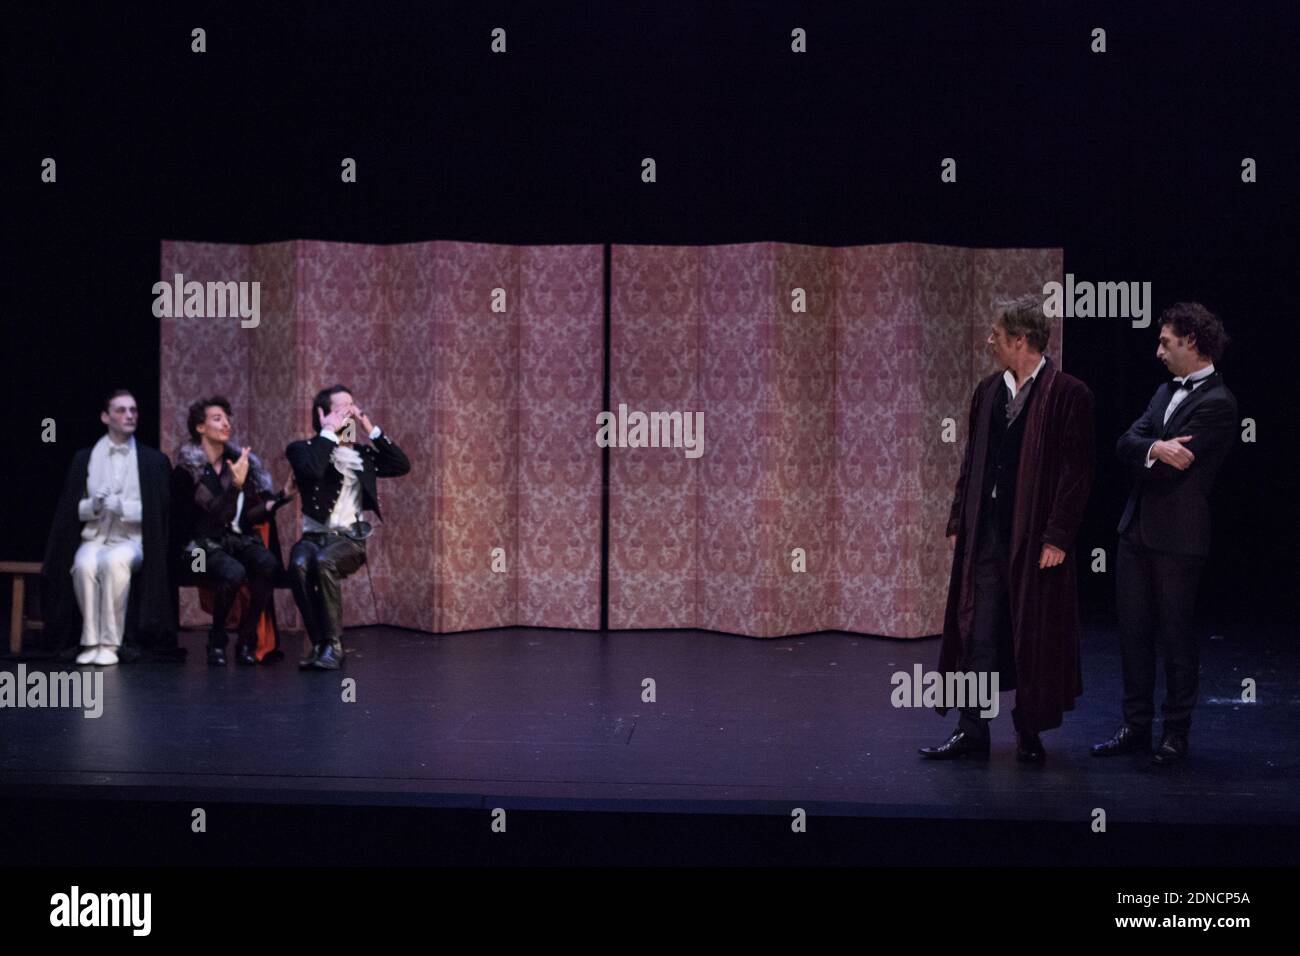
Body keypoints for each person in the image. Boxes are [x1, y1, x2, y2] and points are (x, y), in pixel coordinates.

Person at [921, 293, 1095, 762]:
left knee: (1030, 636)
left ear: (1021, 340)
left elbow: (1076, 474)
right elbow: (971, 462)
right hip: (987, 536)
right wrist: (959, 519)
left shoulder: (1068, 394)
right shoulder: (987, 391)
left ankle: (1029, 734)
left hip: (1035, 539)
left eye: (995, 335)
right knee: (978, 630)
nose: (988, 340)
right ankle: (972, 730)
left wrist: (1058, 535)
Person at [1093, 303, 1237, 765]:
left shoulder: (1218, 403)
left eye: (1166, 342)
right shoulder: (1161, 393)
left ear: (1191, 341)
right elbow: (1123, 443)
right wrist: (1155, 446)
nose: (1158, 351)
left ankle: (1176, 733)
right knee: (1133, 635)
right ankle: (1135, 727)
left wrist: (1146, 451)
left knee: (1175, 637)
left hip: (1178, 538)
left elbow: (1172, 472)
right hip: (1135, 530)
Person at [40, 389, 178, 665]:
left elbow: (159, 513)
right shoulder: (85, 458)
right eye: (121, 410)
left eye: (133, 410)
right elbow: (70, 510)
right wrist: (94, 505)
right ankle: (90, 640)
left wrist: (123, 508)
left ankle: (110, 641)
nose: (129, 415)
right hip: (95, 537)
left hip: (132, 540)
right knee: (84, 565)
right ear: (105, 417)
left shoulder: (152, 461)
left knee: (114, 563)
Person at [285, 385, 410, 670]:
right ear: (322, 414)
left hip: (349, 540)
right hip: (313, 536)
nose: (349, 414)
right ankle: (319, 643)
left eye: (352, 407)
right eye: (342, 409)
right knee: (299, 564)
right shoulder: (301, 450)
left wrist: (369, 426)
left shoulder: (363, 456)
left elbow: (401, 465)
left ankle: (335, 645)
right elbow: (312, 470)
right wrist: (329, 433)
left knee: (323, 562)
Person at [172, 396, 293, 666]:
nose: (226, 423)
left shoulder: (240, 463)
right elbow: (216, 514)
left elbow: (247, 517)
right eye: (217, 418)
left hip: (233, 540)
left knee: (268, 564)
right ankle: (217, 641)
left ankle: (246, 639)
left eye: (228, 419)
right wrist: (235, 486)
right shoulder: (188, 470)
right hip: (196, 549)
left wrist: (282, 497)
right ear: (200, 427)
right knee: (233, 572)